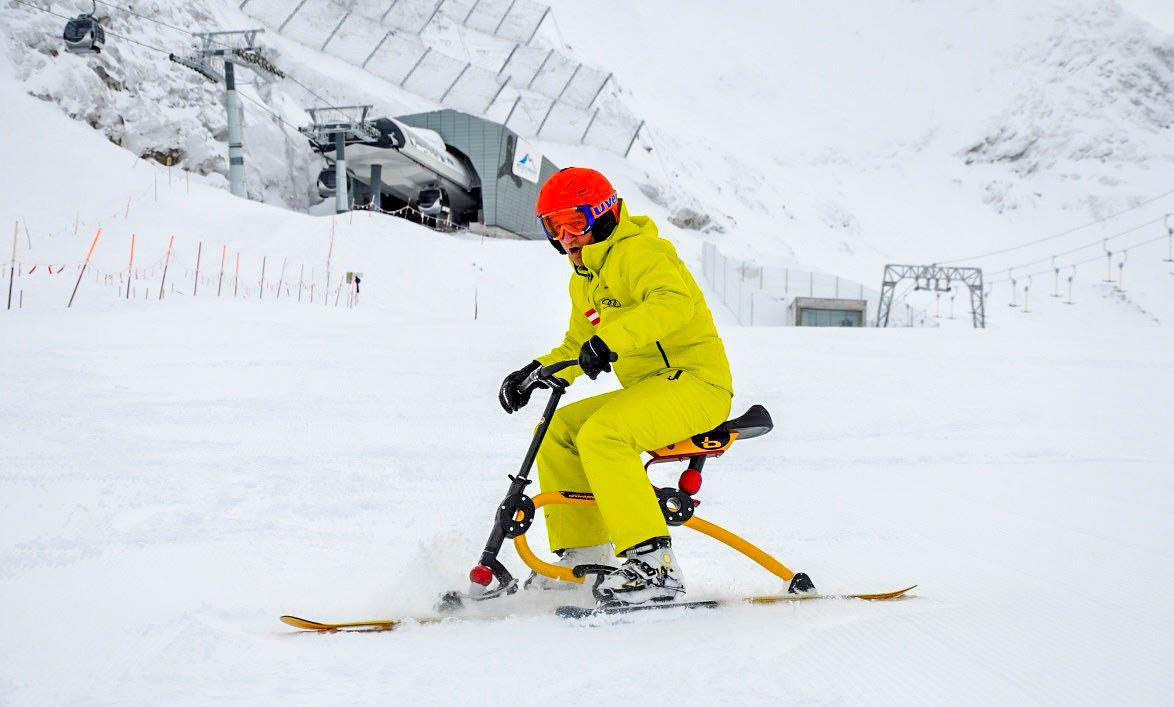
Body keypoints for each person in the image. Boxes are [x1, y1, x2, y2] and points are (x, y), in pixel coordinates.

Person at [498, 167, 734, 605]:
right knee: (559, 431)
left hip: (698, 385)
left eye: (575, 221)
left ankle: (656, 567)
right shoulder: (584, 277)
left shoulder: (641, 253)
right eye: (554, 225)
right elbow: (577, 344)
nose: (566, 235)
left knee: (604, 435)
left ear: (603, 214)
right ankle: (586, 557)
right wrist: (536, 372)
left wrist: (610, 341)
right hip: (650, 388)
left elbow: (673, 303)